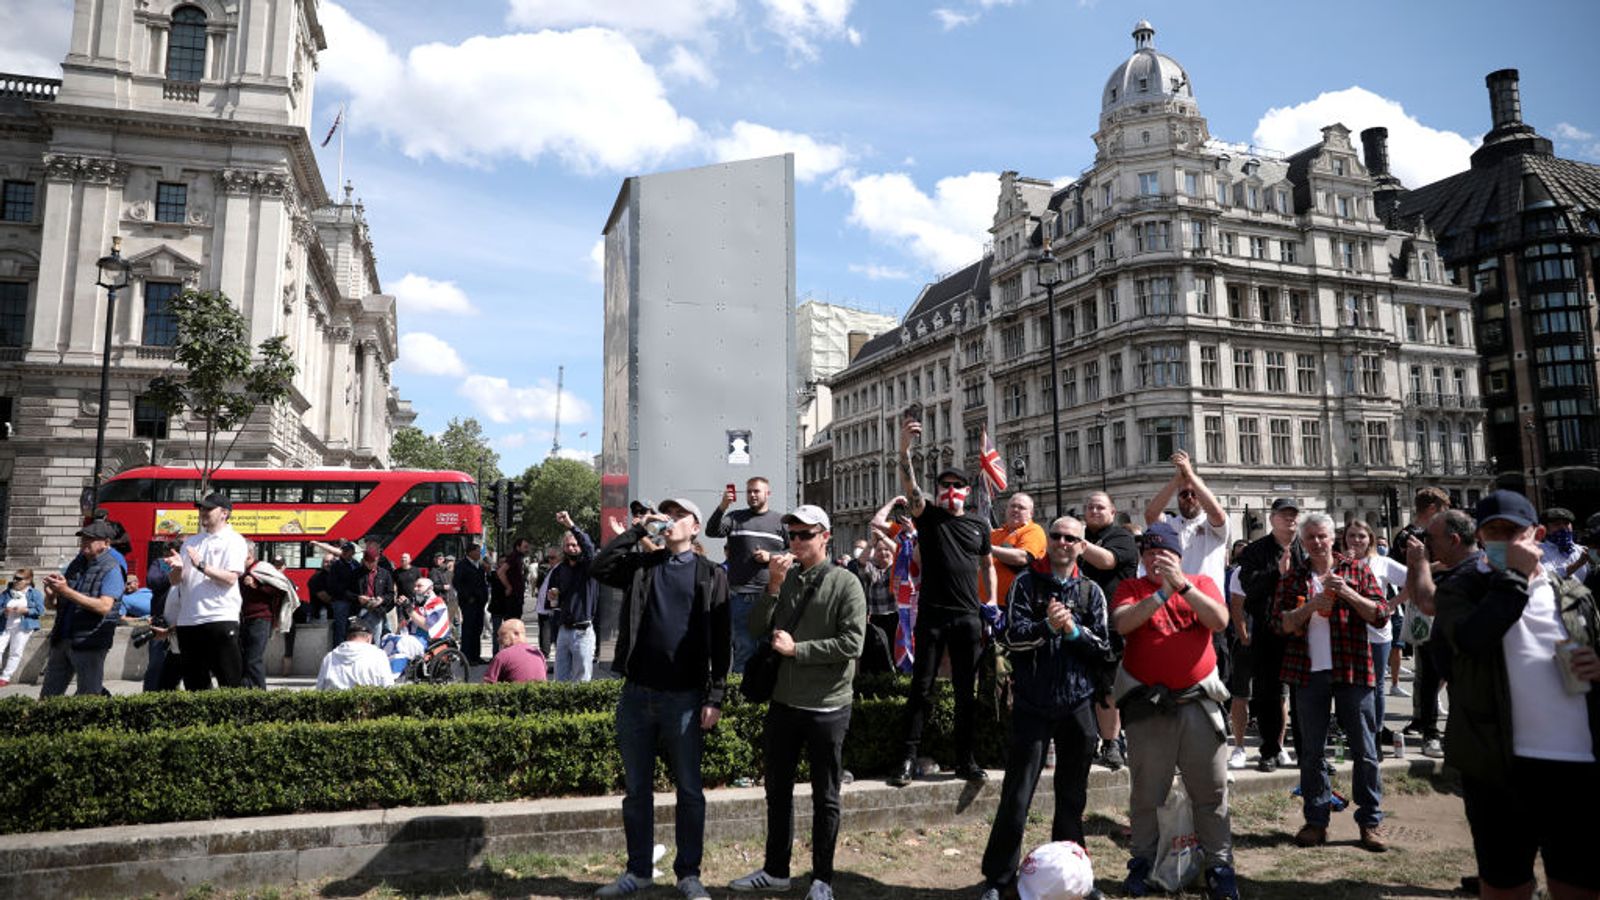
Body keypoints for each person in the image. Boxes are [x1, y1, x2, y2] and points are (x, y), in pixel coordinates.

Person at [1434, 490, 1600, 900]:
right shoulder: (1465, 589)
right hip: (1500, 767)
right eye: (1493, 532)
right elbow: (1468, 642)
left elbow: (1586, 661)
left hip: (1575, 766)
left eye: (1514, 532)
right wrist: (1513, 578)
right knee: (1506, 884)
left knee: (1578, 884)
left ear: (1537, 534)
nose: (1504, 541)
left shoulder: (1574, 595)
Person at [591, 497, 730, 900]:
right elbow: (599, 567)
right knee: (637, 791)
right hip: (637, 695)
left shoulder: (709, 574)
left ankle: (688, 874)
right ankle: (639, 870)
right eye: (665, 514)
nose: (669, 520)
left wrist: (715, 696)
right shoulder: (644, 567)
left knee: (689, 789)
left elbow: (721, 642)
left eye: (678, 515)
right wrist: (637, 530)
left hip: (685, 698)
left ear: (696, 527)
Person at [730, 505, 865, 900]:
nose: (796, 541)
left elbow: (852, 643)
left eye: (805, 534)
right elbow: (757, 628)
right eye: (792, 534)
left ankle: (822, 879)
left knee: (826, 796)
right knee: (778, 790)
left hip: (827, 706)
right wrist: (771, 586)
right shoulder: (785, 579)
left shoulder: (845, 582)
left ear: (825, 536)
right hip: (784, 703)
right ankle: (776, 870)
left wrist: (798, 650)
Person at [978, 516, 1114, 900]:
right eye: (1055, 535)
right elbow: (1009, 636)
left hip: (1077, 702)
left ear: (1081, 547)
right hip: (1033, 703)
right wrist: (1047, 628)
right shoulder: (1025, 584)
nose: (1062, 542)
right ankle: (999, 879)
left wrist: (1072, 630)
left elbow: (1103, 648)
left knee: (1072, 796)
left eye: (1071, 538)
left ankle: (1074, 879)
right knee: (1017, 796)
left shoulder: (1091, 592)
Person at [1111, 521, 1236, 899]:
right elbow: (1123, 624)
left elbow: (1219, 621)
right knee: (1147, 793)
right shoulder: (1132, 588)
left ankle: (1219, 865)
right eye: (1149, 553)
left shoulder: (1201, 583)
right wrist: (1160, 595)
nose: (1155, 559)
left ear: (1177, 556)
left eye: (1163, 553)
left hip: (1197, 702)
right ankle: (1143, 863)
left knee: (1211, 791)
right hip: (1149, 707)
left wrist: (1181, 586)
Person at [1271, 512, 1389, 852]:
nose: (1317, 543)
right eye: (1310, 539)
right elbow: (1279, 626)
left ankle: (1371, 821)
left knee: (1365, 750)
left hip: (1351, 668)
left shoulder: (1355, 570)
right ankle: (1316, 820)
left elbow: (1380, 614)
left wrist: (1349, 595)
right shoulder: (1294, 577)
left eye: (1322, 536)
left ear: (1331, 537)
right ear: (1303, 543)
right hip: (1308, 673)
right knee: (1311, 751)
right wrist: (1310, 607)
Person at [889, 416, 996, 786]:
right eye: (945, 484)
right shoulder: (930, 516)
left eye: (956, 485)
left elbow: (987, 564)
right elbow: (910, 485)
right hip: (933, 616)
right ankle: (906, 756)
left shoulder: (979, 524)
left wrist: (992, 600)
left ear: (966, 490)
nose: (950, 489)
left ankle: (965, 759)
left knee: (967, 694)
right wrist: (904, 449)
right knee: (921, 689)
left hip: (968, 617)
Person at [1234, 498, 1302, 772]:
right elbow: (1249, 586)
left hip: (1303, 631)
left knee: (1305, 694)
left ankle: (1309, 750)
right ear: (1272, 519)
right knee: (1268, 694)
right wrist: (1278, 572)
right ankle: (1270, 750)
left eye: (1293, 515)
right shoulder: (1256, 551)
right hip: (1268, 630)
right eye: (1284, 515)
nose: (1290, 520)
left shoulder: (1308, 546)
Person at [1079, 491, 1139, 772]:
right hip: (1079, 623)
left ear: (1112, 512)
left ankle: (1112, 743)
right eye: (1089, 507)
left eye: (1099, 507)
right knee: (1082, 684)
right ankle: (1086, 741)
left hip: (1111, 624)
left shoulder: (1121, 537)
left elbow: (1107, 562)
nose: (1093, 511)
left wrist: (1073, 541)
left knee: (1108, 687)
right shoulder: (1083, 539)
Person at [165, 492, 249, 691]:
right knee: (195, 685)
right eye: (201, 508)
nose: (203, 512)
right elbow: (177, 582)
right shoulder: (191, 542)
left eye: (208, 509)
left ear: (224, 513)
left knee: (229, 683)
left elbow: (230, 578)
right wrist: (177, 569)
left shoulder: (234, 540)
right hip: (189, 620)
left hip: (219, 617)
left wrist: (202, 565)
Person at [706, 476, 787, 674]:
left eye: (756, 491)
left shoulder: (780, 521)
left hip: (771, 596)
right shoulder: (735, 518)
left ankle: (765, 696)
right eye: (749, 491)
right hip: (740, 597)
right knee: (743, 650)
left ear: (768, 493)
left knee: (770, 648)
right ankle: (742, 700)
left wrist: (771, 556)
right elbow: (711, 531)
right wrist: (723, 505)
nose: (752, 495)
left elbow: (794, 553)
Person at [1393, 487, 1451, 758]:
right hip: (1425, 606)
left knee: (1443, 671)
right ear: (1431, 508)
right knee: (1428, 671)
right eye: (1443, 508)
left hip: (1447, 603)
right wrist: (1440, 565)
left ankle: (1428, 723)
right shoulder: (1411, 536)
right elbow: (1409, 572)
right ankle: (1429, 730)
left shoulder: (1436, 534)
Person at [39, 521, 126, 697]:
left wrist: (66, 591)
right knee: (48, 698)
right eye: (83, 538)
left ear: (106, 543)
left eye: (90, 539)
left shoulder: (112, 568)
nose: (84, 542)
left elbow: (104, 607)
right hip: (62, 639)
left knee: (88, 697)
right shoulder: (76, 564)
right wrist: (51, 595)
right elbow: (55, 606)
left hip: (89, 642)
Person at [1343, 519, 1408, 751]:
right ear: (1345, 539)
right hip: (1348, 634)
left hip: (1378, 633)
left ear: (1370, 538)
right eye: (1351, 536)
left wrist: (1392, 604)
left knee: (1377, 686)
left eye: (1361, 536)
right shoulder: (1341, 564)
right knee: (1352, 687)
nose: (1357, 540)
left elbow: (1412, 580)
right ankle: (1355, 733)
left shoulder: (1382, 562)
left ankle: (1377, 734)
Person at [547, 511, 598, 682]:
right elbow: (554, 602)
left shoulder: (588, 566)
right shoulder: (560, 570)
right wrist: (553, 596)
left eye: (575, 545)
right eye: (568, 545)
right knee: (560, 678)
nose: (572, 548)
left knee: (581, 679)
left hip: (582, 631)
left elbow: (589, 547)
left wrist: (571, 526)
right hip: (563, 630)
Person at [986, 492, 1047, 607]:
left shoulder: (1033, 530)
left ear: (1031, 513)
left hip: (1012, 605)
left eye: (1021, 507)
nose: (1015, 510)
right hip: (985, 603)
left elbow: (1022, 557)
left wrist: (988, 548)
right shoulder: (994, 534)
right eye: (1012, 506)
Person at [238, 551, 287, 689]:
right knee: (243, 660)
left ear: (249, 554)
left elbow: (280, 589)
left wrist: (257, 585)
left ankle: (260, 694)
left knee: (253, 659)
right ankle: (245, 693)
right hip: (243, 619)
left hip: (260, 619)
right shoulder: (241, 571)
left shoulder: (262, 568)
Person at [855, 535, 898, 673]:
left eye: (886, 549)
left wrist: (885, 537)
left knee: (895, 652)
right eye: (879, 550)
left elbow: (899, 551)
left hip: (896, 617)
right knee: (877, 654)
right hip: (877, 618)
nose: (883, 553)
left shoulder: (897, 567)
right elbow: (861, 561)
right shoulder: (872, 570)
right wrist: (872, 542)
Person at [315, 617, 394, 689]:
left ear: (347, 638)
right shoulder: (379, 655)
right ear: (369, 638)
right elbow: (388, 686)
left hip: (335, 702)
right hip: (369, 703)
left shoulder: (330, 657)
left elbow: (319, 688)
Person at [0, 569, 44, 688]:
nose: (15, 581)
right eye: (14, 578)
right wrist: (4, 611)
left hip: (24, 626)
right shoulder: (6, 593)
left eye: (19, 579)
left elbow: (41, 611)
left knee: (15, 652)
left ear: (28, 581)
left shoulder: (34, 593)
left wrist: (26, 611)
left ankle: (5, 677)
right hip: (4, 626)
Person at [453, 544, 491, 664]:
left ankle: (476, 656)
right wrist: (468, 597)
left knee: (477, 629)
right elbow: (457, 583)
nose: (480, 554)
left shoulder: (479, 565)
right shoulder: (461, 565)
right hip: (469, 602)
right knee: (468, 629)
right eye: (477, 551)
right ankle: (466, 658)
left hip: (480, 602)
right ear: (470, 552)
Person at [483, 618, 549, 683]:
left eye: (503, 634)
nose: (499, 639)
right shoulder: (538, 653)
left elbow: (488, 685)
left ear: (516, 634)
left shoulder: (503, 655)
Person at [350, 546, 394, 640]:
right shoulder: (355, 574)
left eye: (372, 562)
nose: (370, 564)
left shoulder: (385, 574)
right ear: (363, 560)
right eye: (367, 562)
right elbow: (346, 592)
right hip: (360, 610)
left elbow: (390, 594)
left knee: (376, 638)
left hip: (378, 610)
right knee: (361, 639)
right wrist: (358, 598)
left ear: (377, 559)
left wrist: (381, 599)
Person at [1538, 507, 1590, 584]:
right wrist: (1578, 564)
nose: (1563, 527)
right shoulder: (1539, 551)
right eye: (1557, 524)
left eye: (1566, 523)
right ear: (1546, 529)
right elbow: (1548, 577)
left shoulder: (1580, 550)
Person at [493, 537, 532, 640]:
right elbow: (500, 572)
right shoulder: (513, 557)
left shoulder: (519, 558)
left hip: (517, 597)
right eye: (525, 547)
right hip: (513, 598)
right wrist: (508, 586)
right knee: (512, 625)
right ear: (518, 547)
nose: (527, 549)